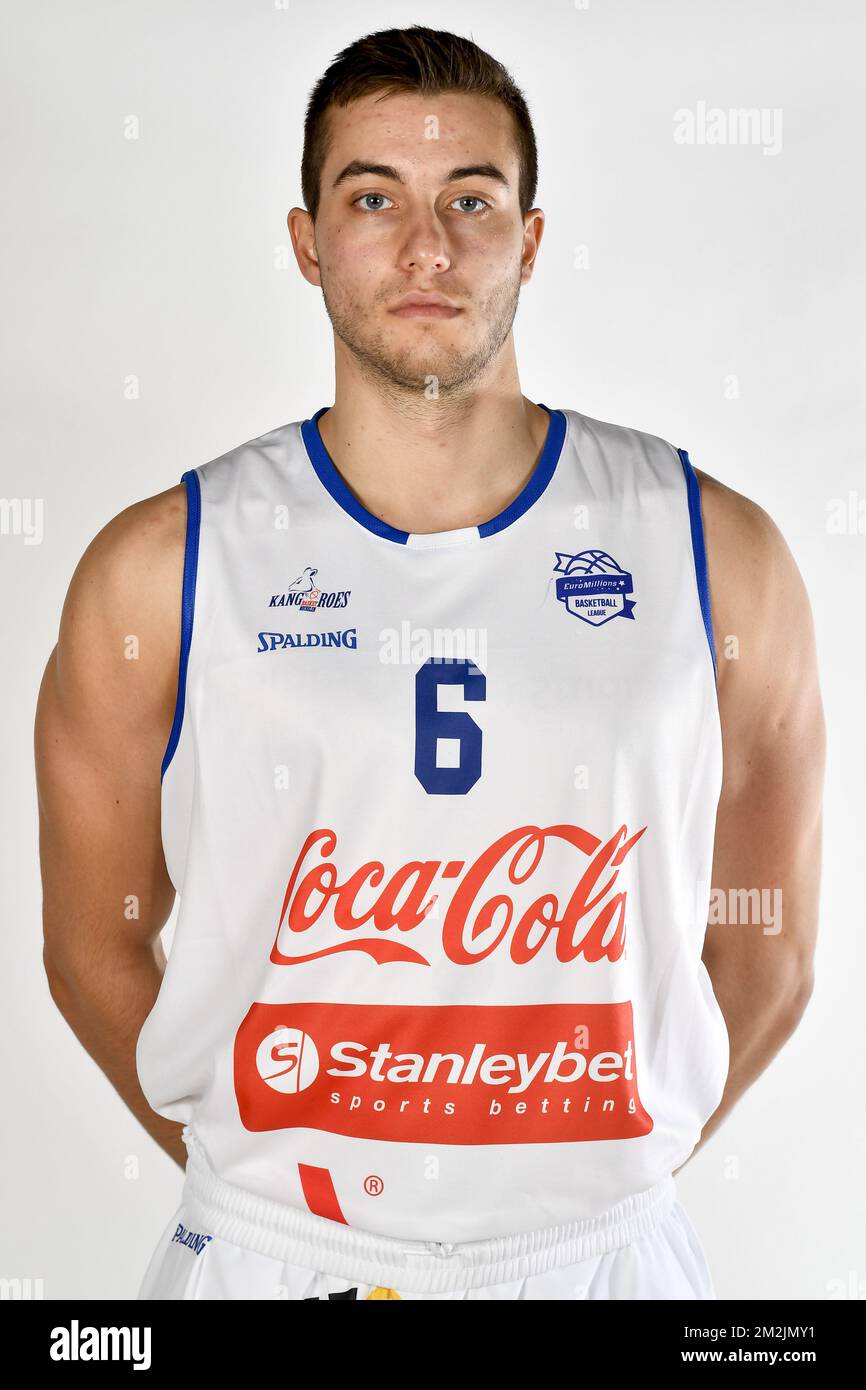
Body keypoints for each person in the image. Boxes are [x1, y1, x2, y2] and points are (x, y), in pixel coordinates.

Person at [35, 24, 825, 1301]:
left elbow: (770, 954)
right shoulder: (160, 568)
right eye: (371, 199)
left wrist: (588, 1189)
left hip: (602, 1253)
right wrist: (268, 1187)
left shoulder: (712, 551)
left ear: (529, 237)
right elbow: (91, 949)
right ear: (305, 244)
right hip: (272, 1252)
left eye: (470, 198)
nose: (426, 248)